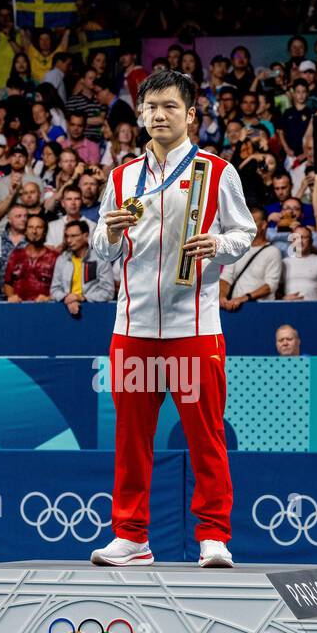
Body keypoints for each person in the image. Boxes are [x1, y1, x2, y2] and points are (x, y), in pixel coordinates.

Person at [89, 70, 256, 568]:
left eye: (169, 107)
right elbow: (102, 249)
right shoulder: (122, 177)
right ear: (140, 115)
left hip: (195, 328)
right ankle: (131, 536)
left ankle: (213, 535)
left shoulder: (216, 171)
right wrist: (111, 232)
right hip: (133, 328)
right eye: (150, 107)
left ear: (190, 115)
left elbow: (244, 232)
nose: (158, 115)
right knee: (130, 438)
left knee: (206, 436)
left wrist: (219, 245)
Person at [50, 219, 112, 314]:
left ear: (86, 236)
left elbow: (108, 292)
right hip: (65, 309)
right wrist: (68, 298)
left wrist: (82, 297)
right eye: (67, 236)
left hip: (95, 311)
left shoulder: (100, 259)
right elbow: (54, 289)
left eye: (74, 236)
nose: (69, 240)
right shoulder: (62, 260)